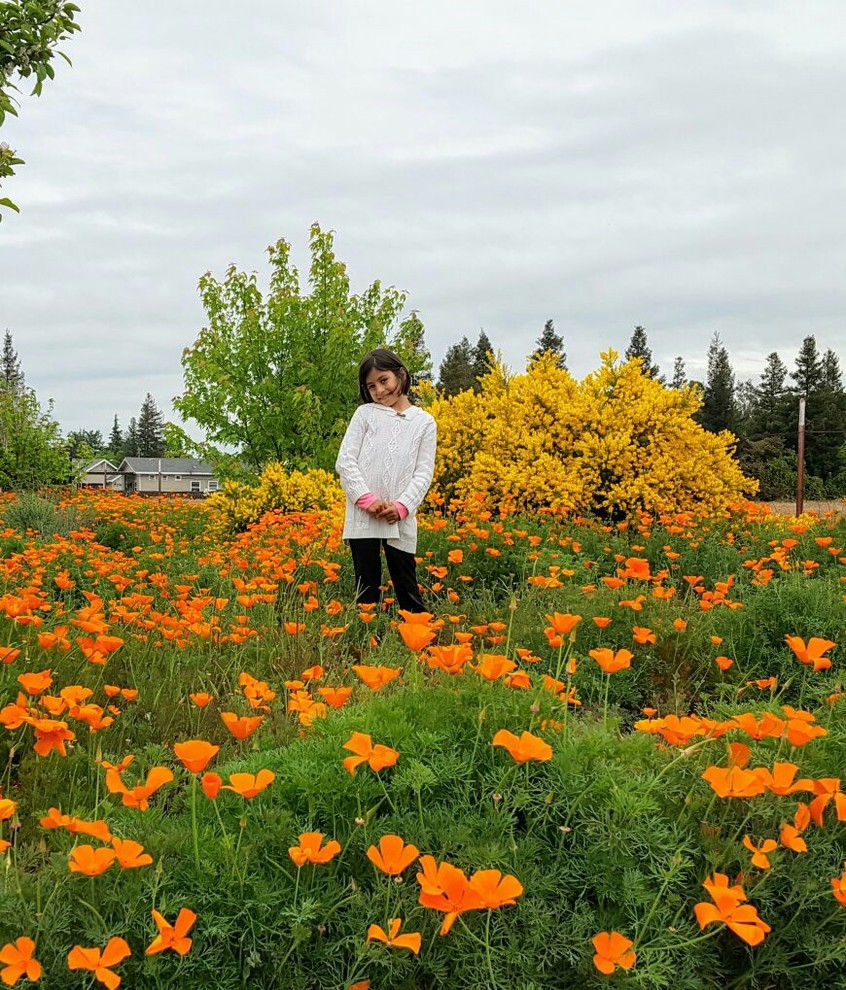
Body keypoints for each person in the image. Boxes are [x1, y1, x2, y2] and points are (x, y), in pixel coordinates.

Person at [335, 348, 437, 613]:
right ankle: (367, 642)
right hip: (364, 516)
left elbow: (423, 472)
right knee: (366, 587)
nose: (379, 391)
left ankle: (418, 639)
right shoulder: (365, 414)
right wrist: (367, 501)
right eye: (371, 386)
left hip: (399, 519)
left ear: (400, 375)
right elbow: (345, 461)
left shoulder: (424, 422)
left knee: (407, 585)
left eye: (384, 380)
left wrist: (402, 507)